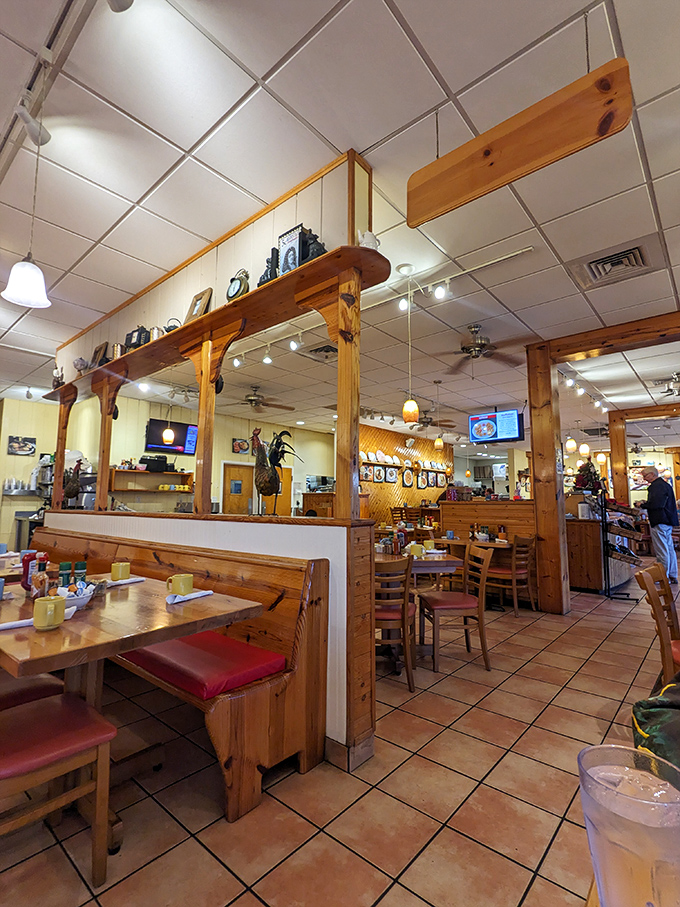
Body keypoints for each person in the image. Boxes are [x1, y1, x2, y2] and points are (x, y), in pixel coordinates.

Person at [639, 466, 679, 583]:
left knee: (662, 550)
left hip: (659, 520)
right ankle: (672, 574)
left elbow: (656, 504)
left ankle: (662, 577)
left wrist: (642, 505)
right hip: (667, 521)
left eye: (645, 476)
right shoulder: (665, 485)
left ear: (652, 474)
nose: (644, 479)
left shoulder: (656, 486)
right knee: (669, 549)